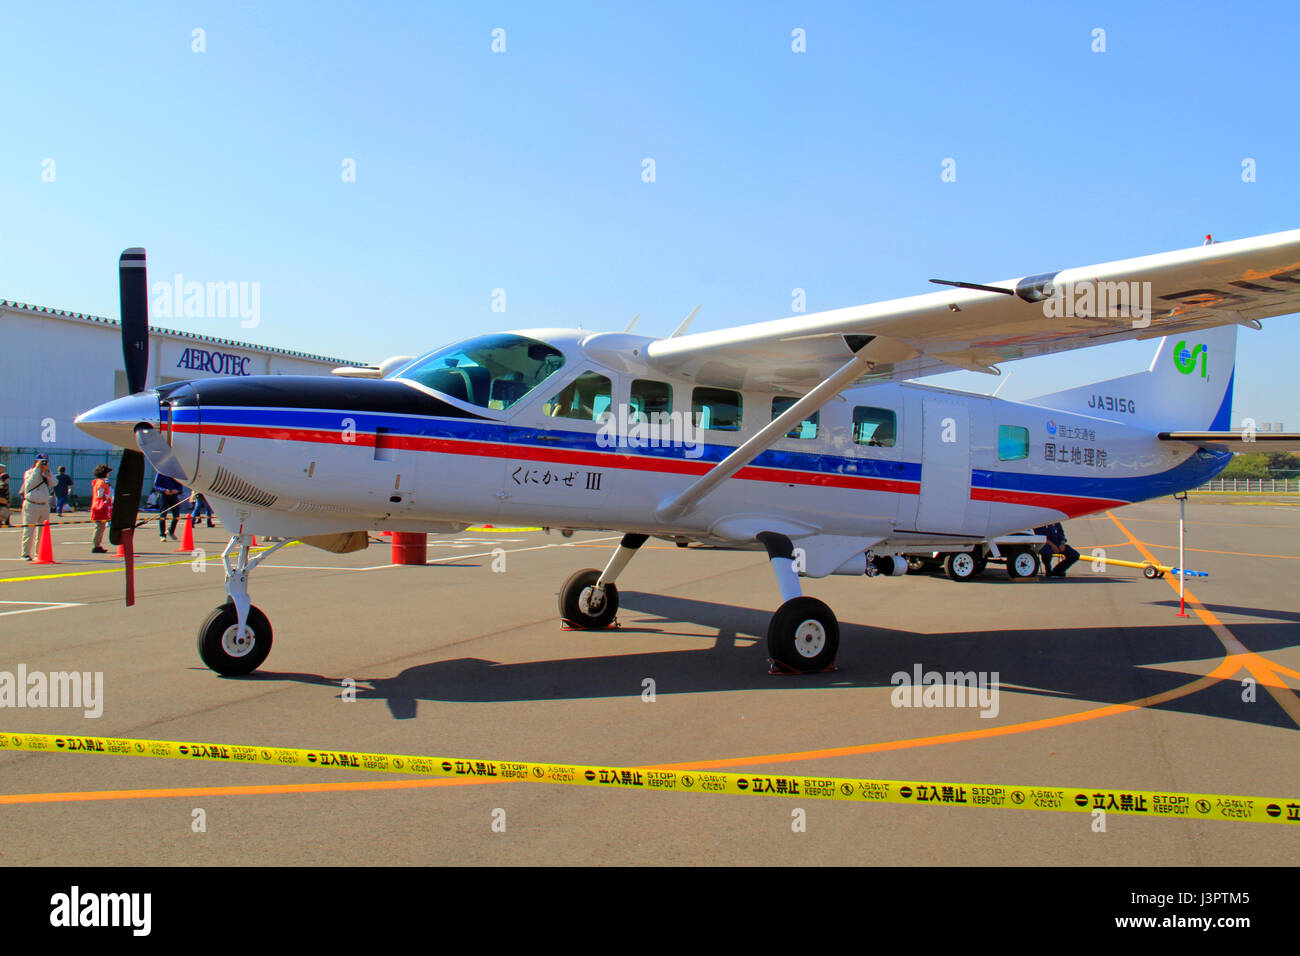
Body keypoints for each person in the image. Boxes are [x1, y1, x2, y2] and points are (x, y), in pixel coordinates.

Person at [19, 454, 53, 560]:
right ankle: (25, 553)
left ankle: (39, 553)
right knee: (29, 530)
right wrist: (37, 470)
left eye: (45, 461)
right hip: (31, 504)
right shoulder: (29, 472)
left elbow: (54, 483)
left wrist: (48, 473)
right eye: (41, 461)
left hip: (44, 505)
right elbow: (30, 483)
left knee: (42, 532)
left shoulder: (46, 474)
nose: (43, 464)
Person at [90, 463, 113, 553]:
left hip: (97, 506)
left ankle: (97, 544)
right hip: (100, 507)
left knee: (100, 526)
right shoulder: (101, 482)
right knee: (100, 527)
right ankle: (96, 545)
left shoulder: (97, 481)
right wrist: (107, 496)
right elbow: (100, 494)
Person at [154, 471, 183, 541]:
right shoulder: (161, 472)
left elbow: (180, 485)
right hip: (164, 495)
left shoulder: (175, 473)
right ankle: (162, 535)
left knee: (176, 516)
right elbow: (156, 485)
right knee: (163, 515)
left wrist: (177, 490)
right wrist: (164, 490)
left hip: (174, 495)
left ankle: (171, 530)